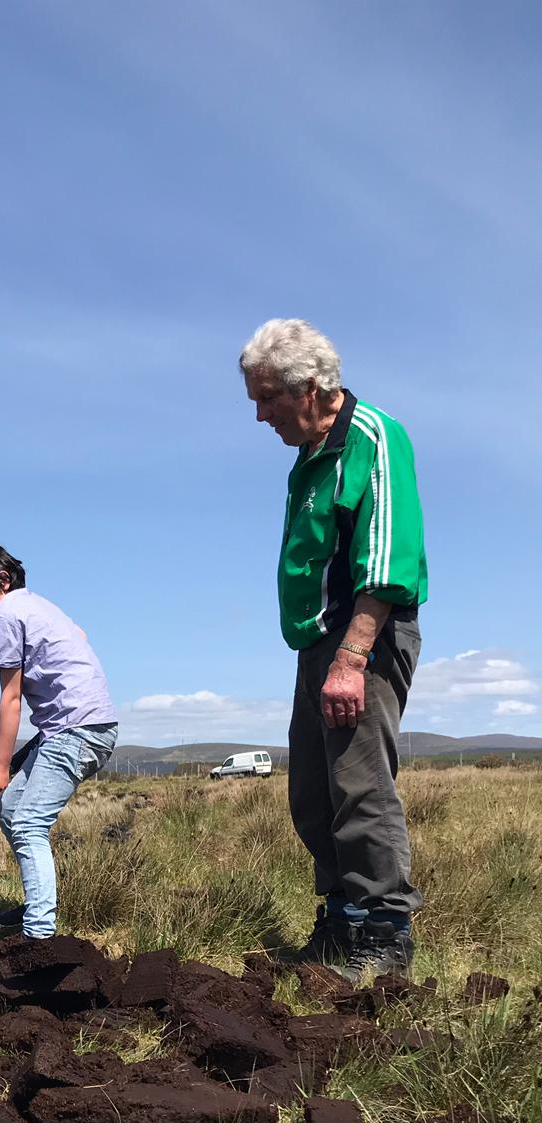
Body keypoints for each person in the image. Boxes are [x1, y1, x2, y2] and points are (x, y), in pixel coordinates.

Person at [239, 319, 428, 978]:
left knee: (359, 788)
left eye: (267, 399)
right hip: (321, 645)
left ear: (313, 388)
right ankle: (342, 923)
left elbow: (387, 560)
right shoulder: (309, 458)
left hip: (362, 641)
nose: (259, 415)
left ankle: (385, 937)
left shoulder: (370, 438)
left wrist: (352, 659)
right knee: (313, 797)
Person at [0, 541, 118, 939]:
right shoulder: (40, 605)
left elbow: (10, 698)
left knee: (27, 823)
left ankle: (39, 934)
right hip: (81, 726)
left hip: (75, 731)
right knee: (10, 810)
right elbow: (80, 633)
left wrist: (1, 765)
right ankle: (37, 903)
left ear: (2, 580)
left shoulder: (4, 615)